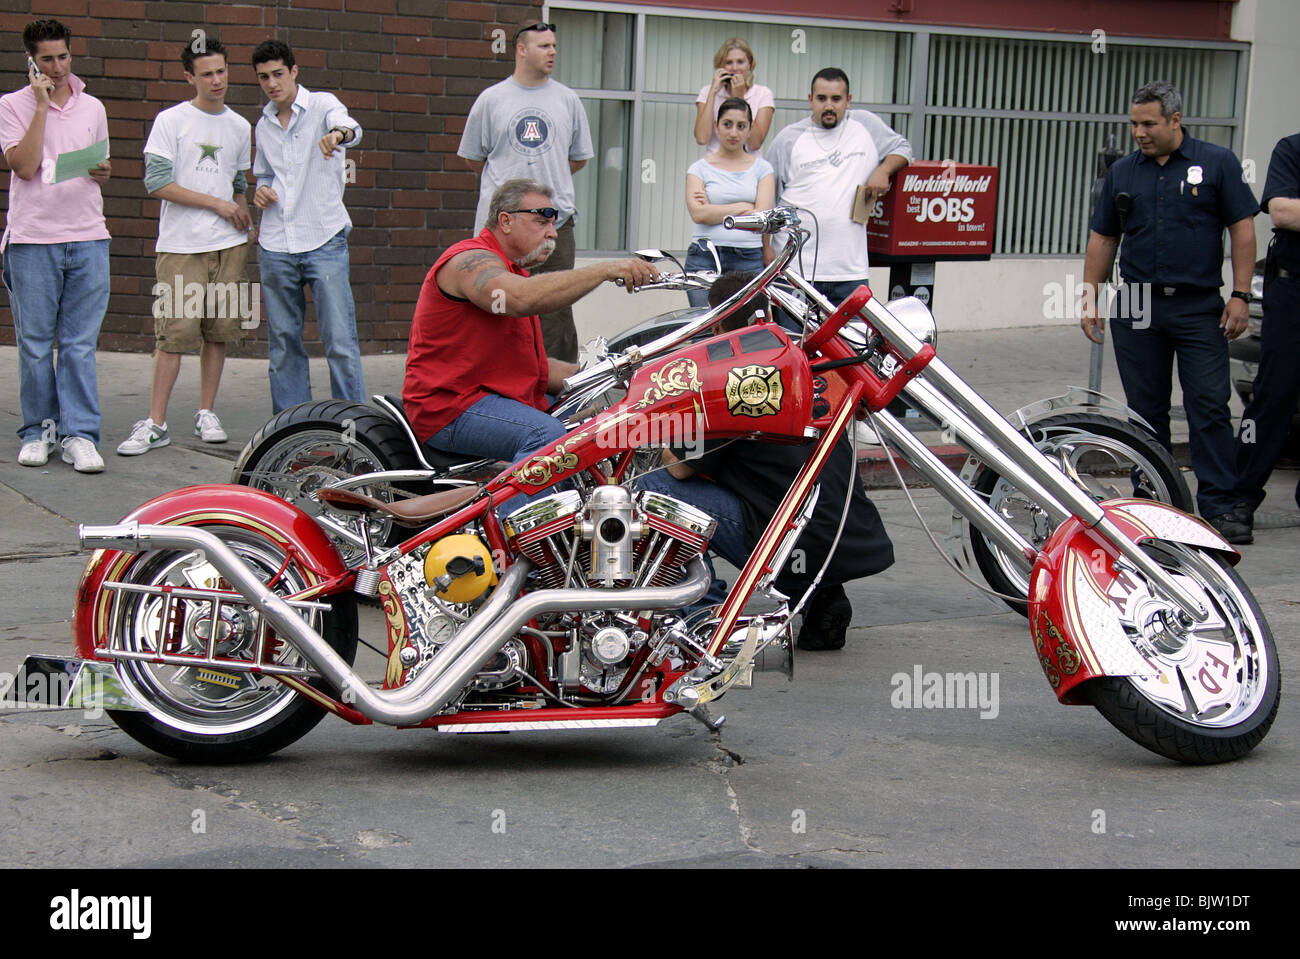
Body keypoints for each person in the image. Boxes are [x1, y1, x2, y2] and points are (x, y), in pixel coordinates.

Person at [638, 271, 895, 650]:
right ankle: (816, 589)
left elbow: (676, 466)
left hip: (791, 537)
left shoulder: (729, 379)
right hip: (844, 534)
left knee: (655, 489)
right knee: (763, 476)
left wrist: (668, 427)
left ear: (718, 320)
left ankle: (702, 613)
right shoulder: (799, 363)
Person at [402, 178, 656, 504]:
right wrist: (606, 269)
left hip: (496, 400)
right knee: (546, 436)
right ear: (505, 220)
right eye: (541, 220)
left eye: (554, 223)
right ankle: (512, 544)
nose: (552, 232)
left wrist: (617, 374)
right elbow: (519, 299)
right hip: (449, 408)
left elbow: (533, 371)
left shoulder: (514, 274)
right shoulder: (468, 261)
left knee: (607, 420)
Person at [1081, 80, 1258, 544]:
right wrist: (1090, 295)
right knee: (1146, 412)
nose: (1139, 132)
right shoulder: (1123, 172)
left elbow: (1242, 229)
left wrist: (1241, 294)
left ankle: (1222, 507)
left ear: (1175, 120)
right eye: (1134, 123)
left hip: (1199, 304)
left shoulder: (1217, 163)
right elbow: (1103, 237)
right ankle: (1155, 504)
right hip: (1138, 304)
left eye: (1149, 123)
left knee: (1208, 406)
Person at [117, 40, 252, 456]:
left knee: (218, 333)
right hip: (181, 245)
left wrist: (244, 217)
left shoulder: (240, 126)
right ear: (189, 77)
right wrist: (217, 204)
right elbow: (157, 183)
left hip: (229, 246)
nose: (217, 80)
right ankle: (156, 422)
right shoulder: (170, 120)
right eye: (207, 73)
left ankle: (205, 412)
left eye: (222, 71)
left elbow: (238, 183)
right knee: (173, 336)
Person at [1, 18, 111, 473]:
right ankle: (38, 430)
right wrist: (42, 107)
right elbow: (24, 167)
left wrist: (103, 171)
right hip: (33, 239)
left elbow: (99, 162)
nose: (59, 66)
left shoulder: (93, 106)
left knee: (79, 345)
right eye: (47, 59)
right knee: (34, 344)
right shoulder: (12, 105)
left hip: (87, 235)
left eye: (63, 56)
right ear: (32, 61)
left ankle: (79, 434)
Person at [458, 18, 593, 363]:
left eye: (554, 46)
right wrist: (513, 198)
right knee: (495, 306)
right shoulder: (492, 100)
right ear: (521, 49)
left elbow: (576, 160)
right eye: (544, 46)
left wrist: (539, 200)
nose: (553, 52)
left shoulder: (567, 100)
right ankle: (497, 386)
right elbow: (476, 159)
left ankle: (560, 401)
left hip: (554, 227)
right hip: (502, 231)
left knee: (555, 311)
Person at [251, 39, 366, 414]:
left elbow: (349, 125)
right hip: (276, 243)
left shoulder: (322, 105)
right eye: (263, 77)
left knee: (340, 341)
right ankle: (291, 428)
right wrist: (262, 191)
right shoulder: (263, 124)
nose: (272, 83)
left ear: (294, 71)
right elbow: (264, 175)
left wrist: (338, 136)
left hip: (323, 238)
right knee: (283, 343)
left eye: (278, 74)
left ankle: (355, 426)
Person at [765, 67, 912, 306]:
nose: (829, 106)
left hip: (849, 272)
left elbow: (903, 149)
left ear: (848, 100)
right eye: (822, 99)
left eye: (836, 99)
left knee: (854, 342)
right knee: (794, 343)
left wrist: (883, 170)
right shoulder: (788, 139)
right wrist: (766, 252)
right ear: (810, 100)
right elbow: (768, 201)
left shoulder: (866, 126)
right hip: (795, 271)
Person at [1233, 131, 1300, 530]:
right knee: (1274, 395)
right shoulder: (1292, 149)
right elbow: (1282, 213)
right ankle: (1240, 499)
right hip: (1293, 289)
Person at [684, 98, 775, 308]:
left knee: (745, 328)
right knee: (704, 327)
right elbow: (699, 214)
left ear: (750, 128)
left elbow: (761, 218)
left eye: (741, 126)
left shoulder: (763, 169)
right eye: (727, 124)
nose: (733, 133)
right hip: (704, 255)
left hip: (748, 257)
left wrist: (714, 210)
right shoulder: (699, 169)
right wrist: (743, 206)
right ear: (716, 125)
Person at [693, 38, 774, 156]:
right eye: (729, 62)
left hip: (749, 166)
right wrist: (712, 93)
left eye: (740, 62)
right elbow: (702, 138)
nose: (735, 68)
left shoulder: (763, 93)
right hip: (714, 165)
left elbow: (755, 143)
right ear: (720, 66)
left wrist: (740, 98)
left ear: (750, 65)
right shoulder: (706, 92)